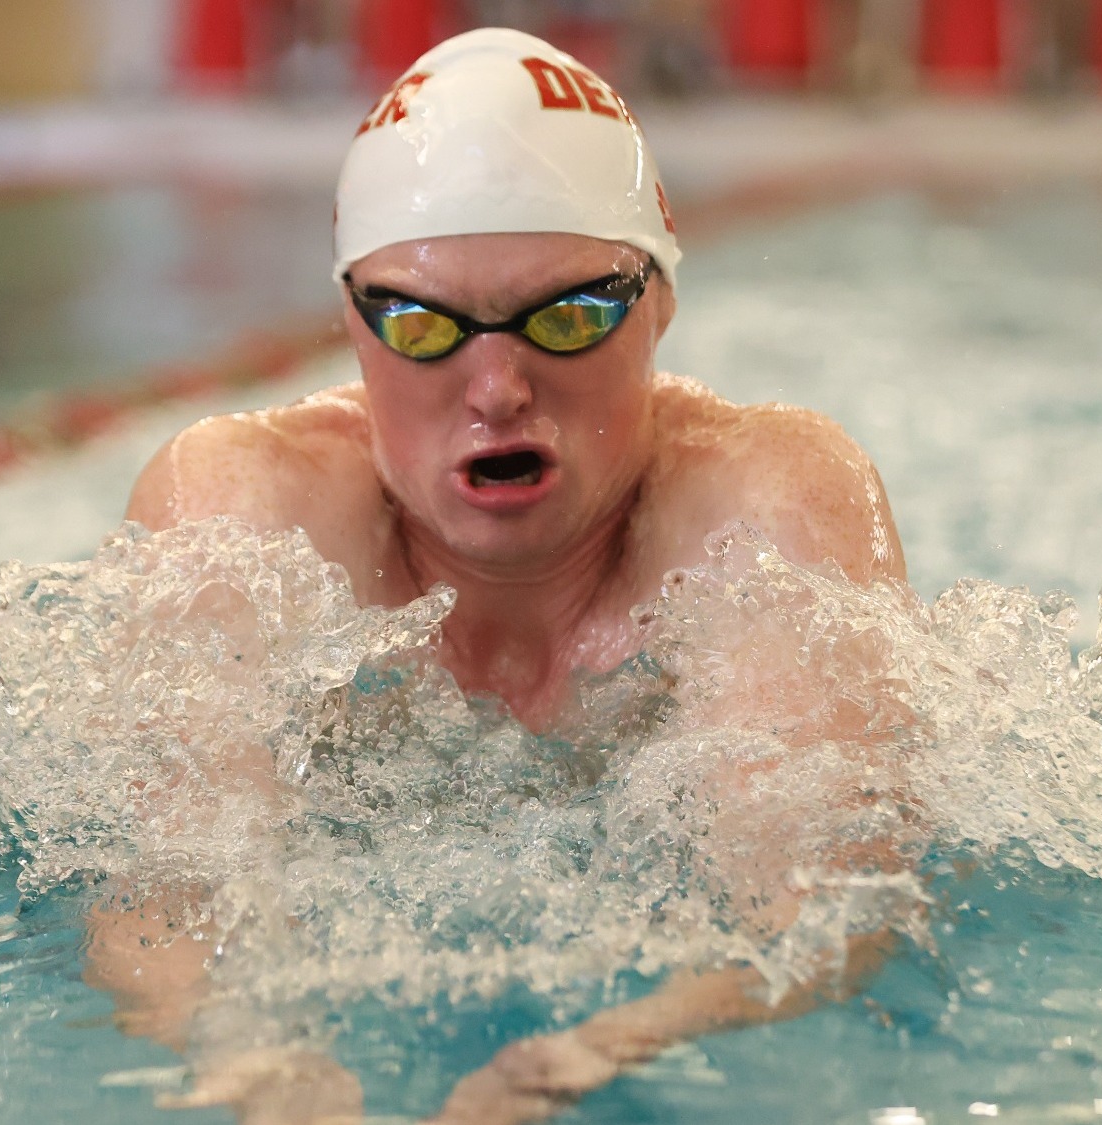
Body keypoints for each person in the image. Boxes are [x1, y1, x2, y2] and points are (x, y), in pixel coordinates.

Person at [93, 27, 909, 1124]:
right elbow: (165, 895)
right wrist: (251, 1062)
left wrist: (609, 1050)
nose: (495, 389)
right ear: (350, 322)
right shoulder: (243, 518)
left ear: (659, 303)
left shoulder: (769, 506)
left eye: (568, 317)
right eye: (423, 325)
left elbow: (822, 908)